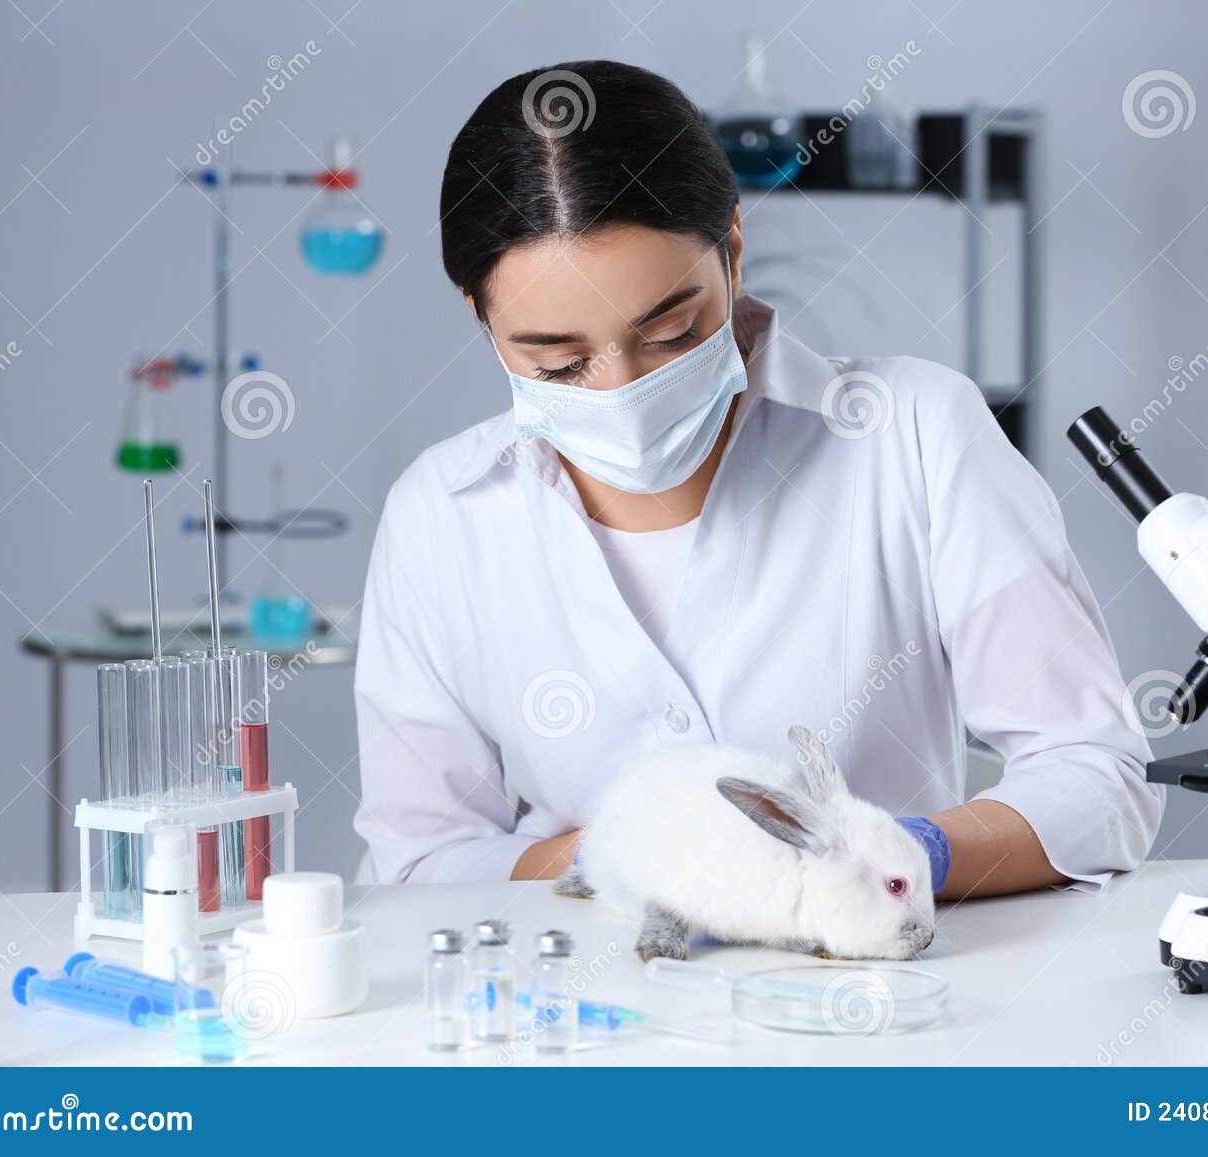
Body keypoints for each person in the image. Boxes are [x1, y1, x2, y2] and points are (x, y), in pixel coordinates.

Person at [354, 59, 1162, 900]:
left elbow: (1098, 779)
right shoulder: (441, 513)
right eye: (557, 362)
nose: (620, 390)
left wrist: (889, 855)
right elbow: (421, 862)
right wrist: (627, 856)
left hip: (885, 1004)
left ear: (733, 252)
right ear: (480, 317)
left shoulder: (917, 435)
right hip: (583, 1010)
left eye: (670, 332)